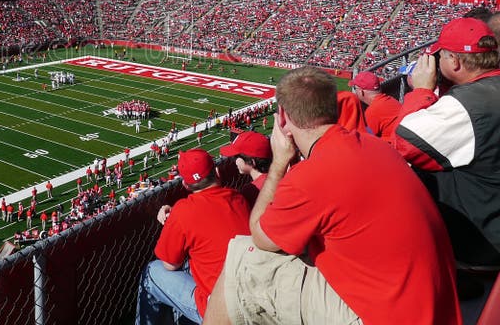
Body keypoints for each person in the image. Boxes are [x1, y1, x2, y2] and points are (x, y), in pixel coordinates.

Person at [204, 66, 461, 325]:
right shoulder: (373, 144)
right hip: (429, 303)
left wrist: (279, 162)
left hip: (385, 314)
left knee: (241, 257)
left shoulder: (312, 176)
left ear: (282, 118)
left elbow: (261, 237)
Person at [394, 17, 500, 265]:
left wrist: (421, 91)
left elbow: (404, 144)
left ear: (454, 61)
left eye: (439, 56)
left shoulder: (468, 104)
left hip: (478, 244)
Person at [135, 148, 251, 324]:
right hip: (250, 297)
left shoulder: (183, 211)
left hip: (218, 310)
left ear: (186, 185)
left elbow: (170, 264)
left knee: (152, 272)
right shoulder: (238, 198)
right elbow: (212, 217)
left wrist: (176, 218)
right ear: (217, 172)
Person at [218, 130, 272, 209]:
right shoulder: (278, 175)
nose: (235, 161)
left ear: (252, 162)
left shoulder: (250, 190)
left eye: (236, 157)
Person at [348, 70, 401, 141]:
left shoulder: (373, 111)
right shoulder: (391, 100)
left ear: (361, 92)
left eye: (355, 88)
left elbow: (362, 139)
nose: (355, 91)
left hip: (391, 148)